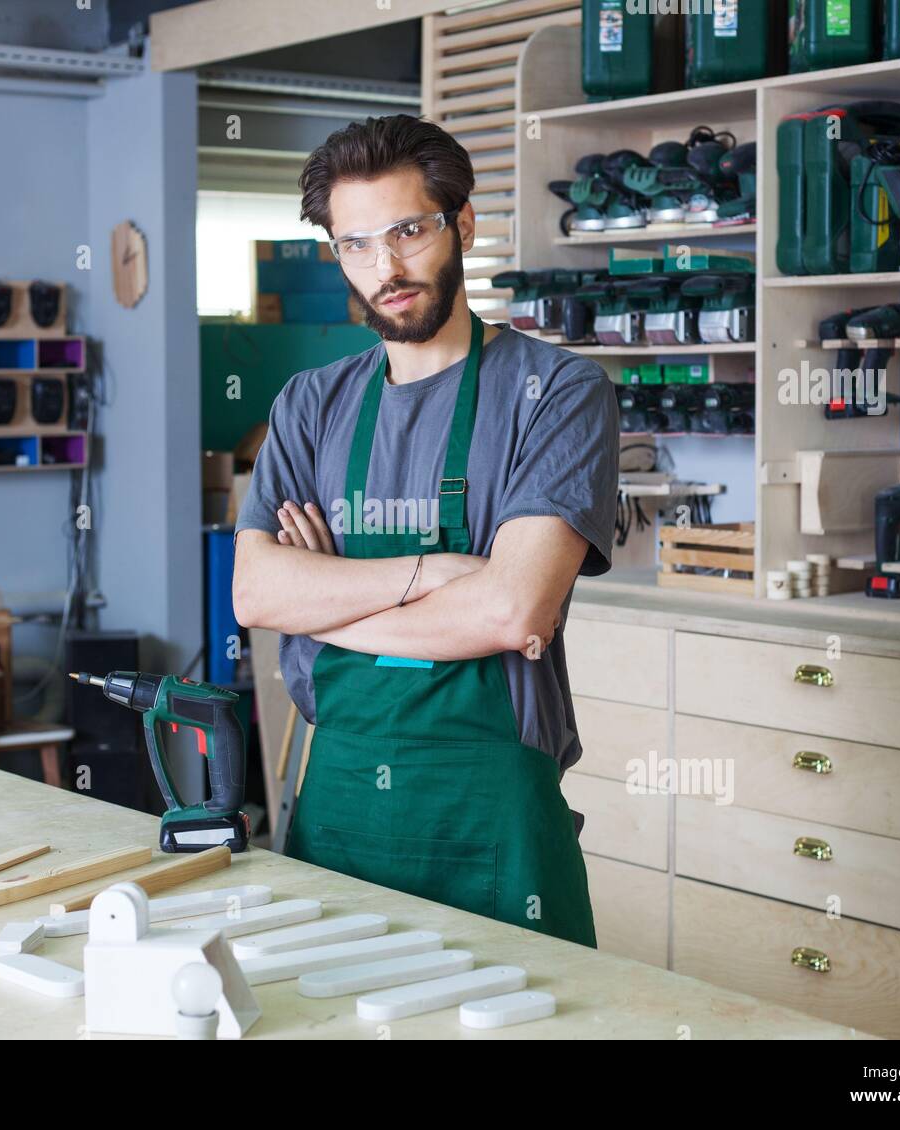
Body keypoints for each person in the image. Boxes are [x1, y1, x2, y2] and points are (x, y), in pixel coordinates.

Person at [232, 114, 619, 948]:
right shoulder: (309, 405)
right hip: (336, 799)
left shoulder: (558, 393)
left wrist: (326, 604)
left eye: (409, 230)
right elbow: (257, 592)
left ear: (463, 224)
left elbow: (513, 614)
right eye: (357, 244)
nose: (387, 267)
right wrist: (439, 571)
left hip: (494, 816)